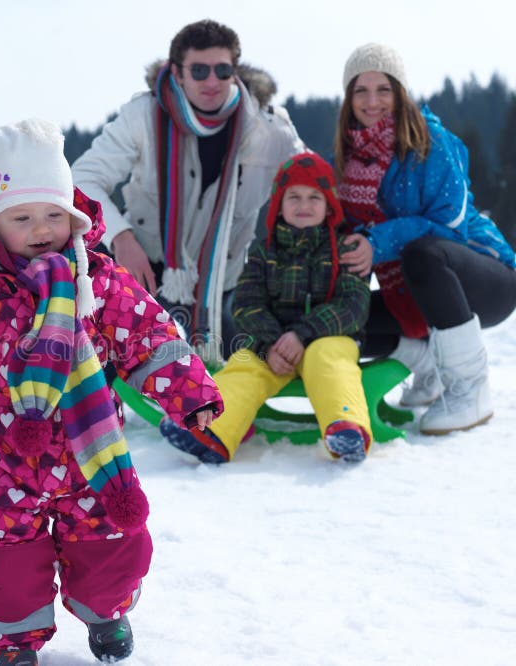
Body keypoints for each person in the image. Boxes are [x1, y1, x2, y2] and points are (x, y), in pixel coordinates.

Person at [0, 119, 222, 666]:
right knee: (5, 567)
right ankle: (13, 643)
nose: (41, 229)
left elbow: (151, 341)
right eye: (21, 217)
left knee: (109, 548)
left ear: (73, 215)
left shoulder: (98, 282)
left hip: (91, 450)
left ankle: (106, 611)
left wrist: (190, 394)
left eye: (54, 214)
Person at [72, 19, 302, 363]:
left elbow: (314, 183)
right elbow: (82, 180)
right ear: (177, 73)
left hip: (224, 278)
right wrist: (121, 237)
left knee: (240, 353)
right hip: (150, 267)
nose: (212, 81)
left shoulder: (268, 130)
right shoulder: (144, 115)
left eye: (223, 70)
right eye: (199, 70)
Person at [335, 43, 516, 435]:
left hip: (484, 279)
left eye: (383, 89)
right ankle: (426, 361)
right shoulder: (353, 162)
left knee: (423, 253)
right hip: (417, 296)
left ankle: (471, 390)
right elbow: (353, 237)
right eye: (360, 90)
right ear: (348, 98)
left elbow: (448, 225)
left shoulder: (430, 143)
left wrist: (375, 240)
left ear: (400, 92)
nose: (372, 101)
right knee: (337, 320)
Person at [159, 152, 372, 463]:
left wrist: (302, 335)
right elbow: (247, 303)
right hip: (272, 344)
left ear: (329, 205)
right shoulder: (263, 251)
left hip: (328, 339)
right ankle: (211, 430)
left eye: (314, 197)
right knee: (244, 366)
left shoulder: (344, 249)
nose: (303, 205)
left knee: (329, 361)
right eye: (294, 197)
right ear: (279, 204)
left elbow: (353, 305)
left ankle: (346, 427)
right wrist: (272, 344)